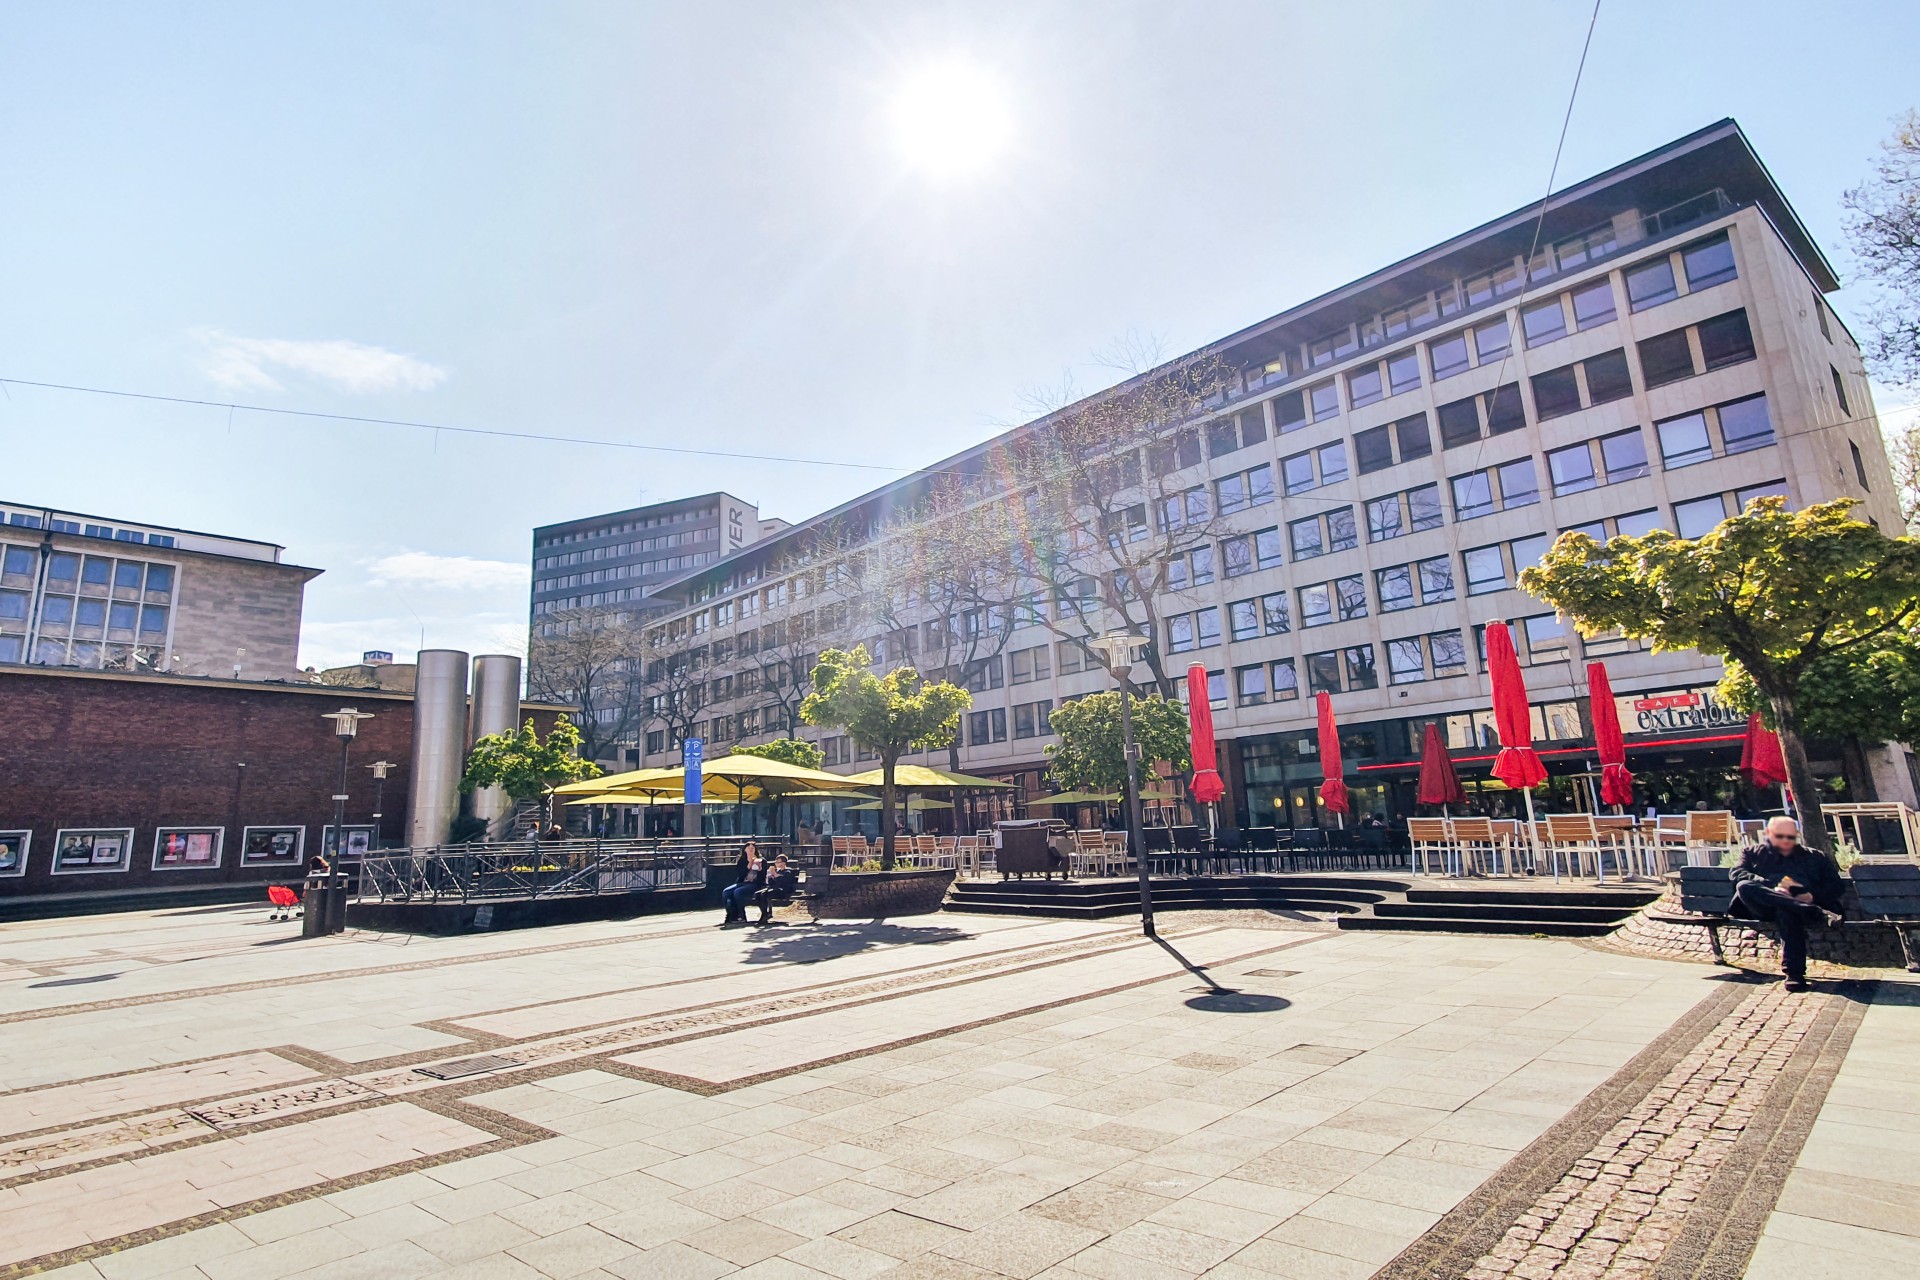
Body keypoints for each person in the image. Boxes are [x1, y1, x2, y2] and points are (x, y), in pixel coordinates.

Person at [1729, 816, 1845, 992]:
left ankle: (1794, 975)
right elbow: (1737, 873)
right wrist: (1771, 886)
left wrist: (1811, 896)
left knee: (1787, 910)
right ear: (1768, 833)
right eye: (1779, 836)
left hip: (1797, 908)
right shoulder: (1752, 853)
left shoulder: (1814, 857)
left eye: (1790, 836)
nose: (1785, 840)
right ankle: (1815, 912)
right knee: (1744, 886)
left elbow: (1836, 886)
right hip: (1763, 907)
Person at [720, 845, 763, 926]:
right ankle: (731, 915)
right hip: (742, 883)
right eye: (749, 848)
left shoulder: (761, 860)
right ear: (745, 850)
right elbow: (740, 875)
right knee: (726, 892)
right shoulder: (742, 861)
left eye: (752, 848)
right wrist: (748, 865)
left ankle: (741, 915)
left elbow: (762, 877)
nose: (751, 850)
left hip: (754, 884)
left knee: (738, 892)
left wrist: (760, 869)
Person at [752, 854, 799, 925]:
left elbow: (783, 883)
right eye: (776, 862)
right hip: (774, 890)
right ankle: (765, 913)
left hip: (783, 891)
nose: (776, 864)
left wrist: (774, 874)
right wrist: (770, 876)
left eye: (778, 862)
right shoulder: (778, 872)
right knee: (757, 894)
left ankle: (765, 915)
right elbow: (772, 884)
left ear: (784, 863)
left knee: (764, 894)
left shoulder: (788, 872)